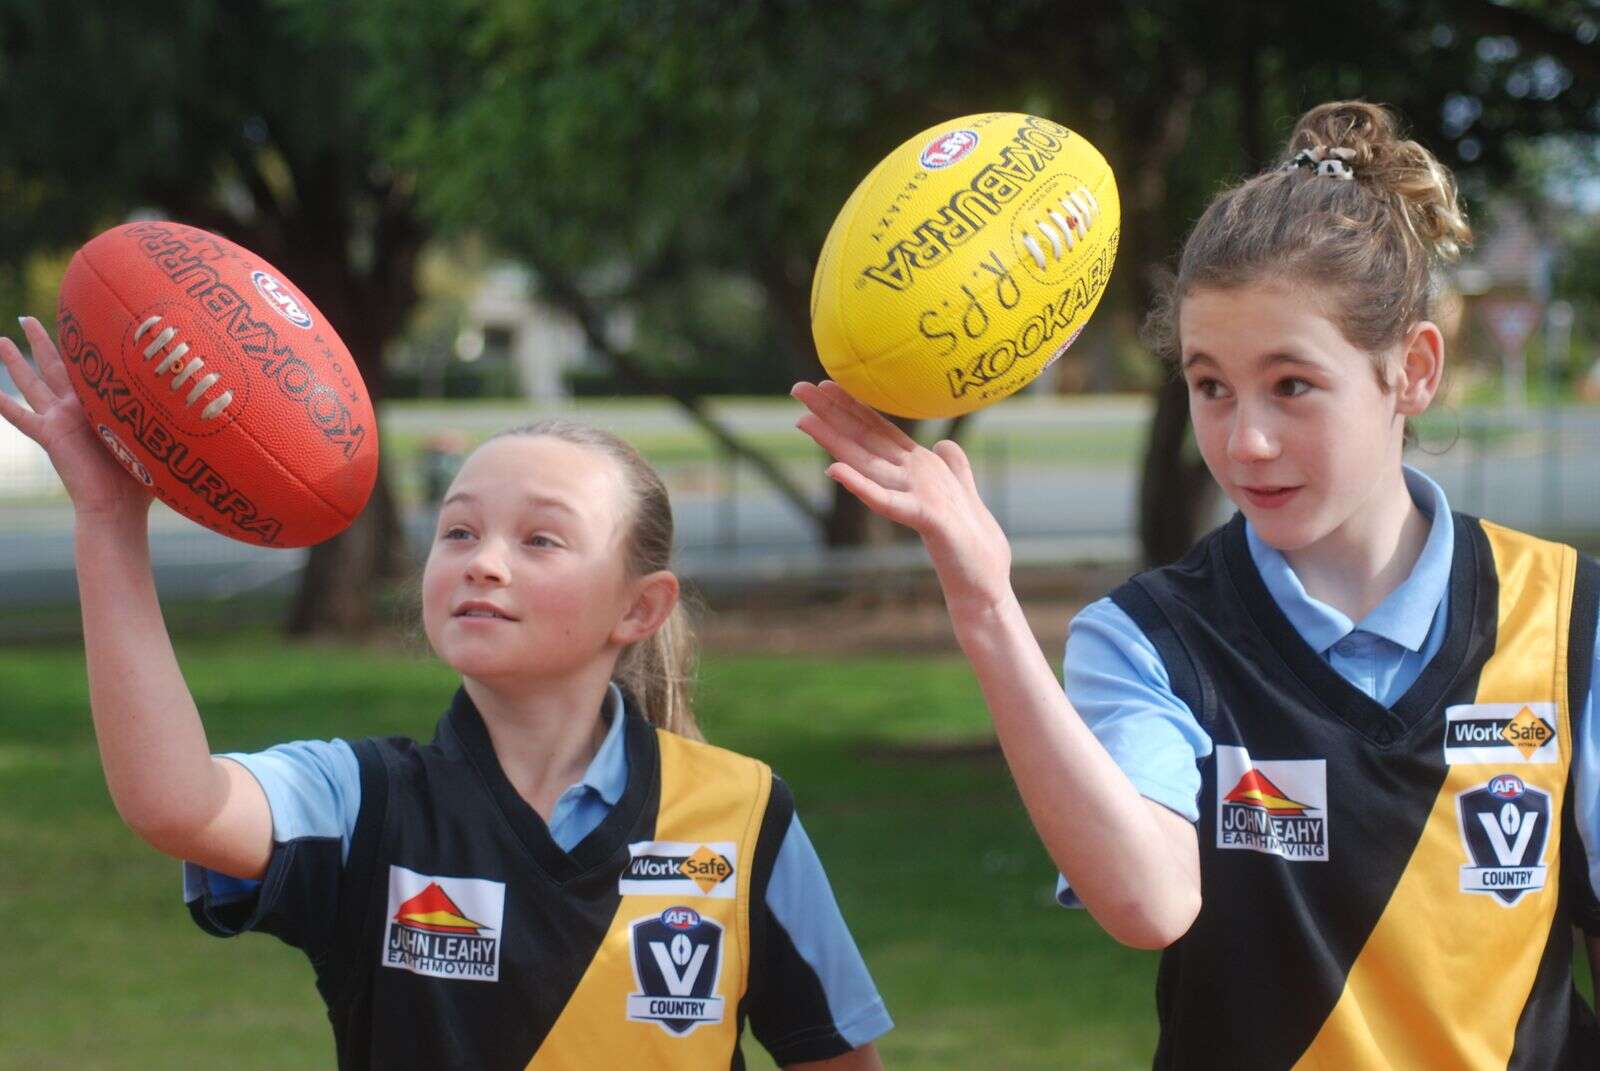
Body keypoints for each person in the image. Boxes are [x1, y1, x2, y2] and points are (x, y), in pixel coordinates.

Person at [793, 100, 1600, 1067]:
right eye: (1210, 385)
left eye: (1292, 385)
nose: (1244, 439)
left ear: (1413, 370)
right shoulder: (1149, 638)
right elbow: (1149, 901)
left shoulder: (1569, 621)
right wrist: (986, 604)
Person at [0, 332, 891, 1071]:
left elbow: (837, 1058)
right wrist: (109, 525)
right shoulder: (362, 801)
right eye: (458, 530)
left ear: (639, 606)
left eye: (541, 538)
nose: (483, 559)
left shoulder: (742, 812)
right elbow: (172, 800)